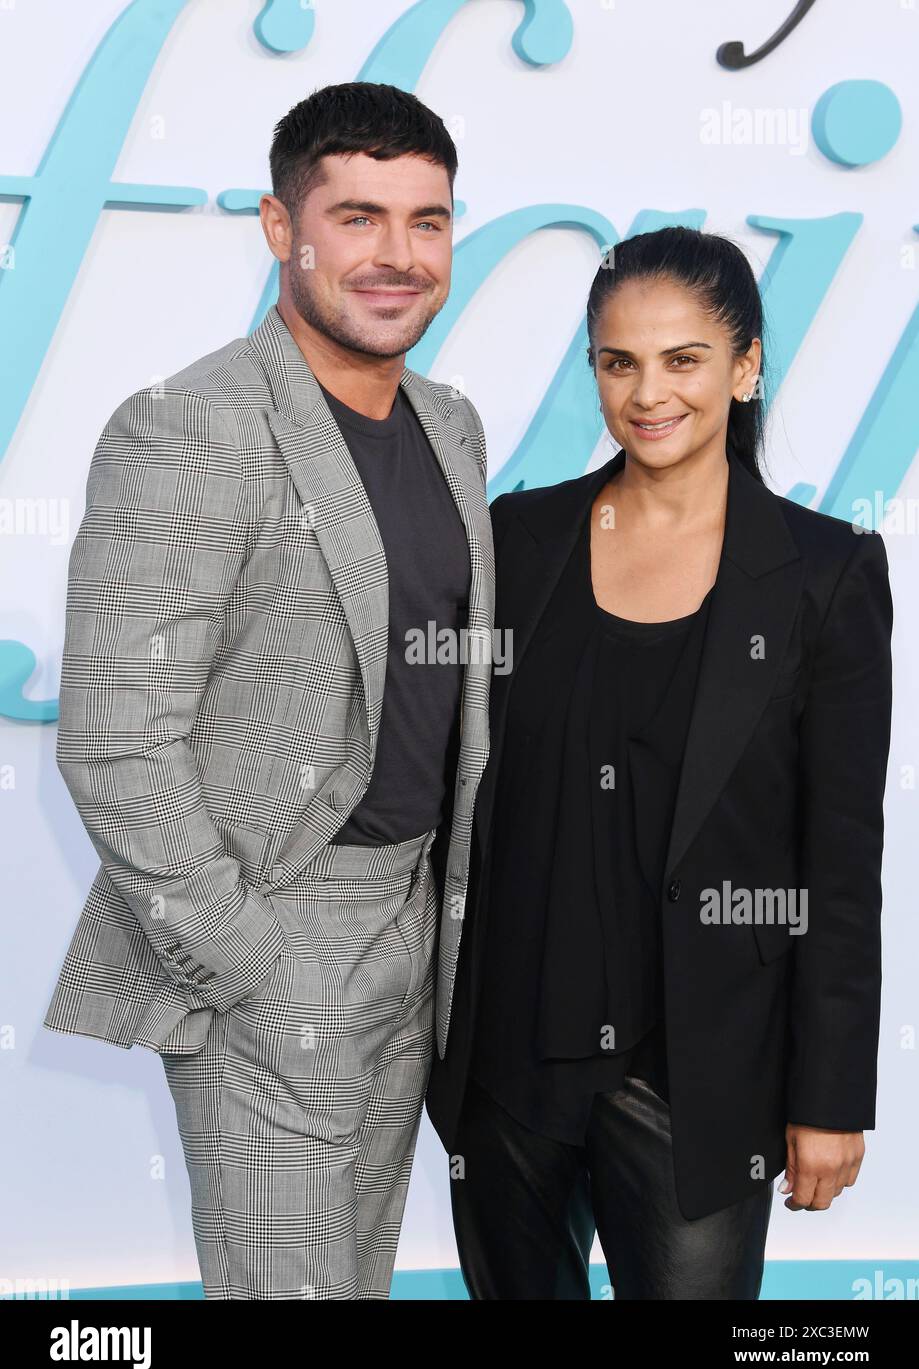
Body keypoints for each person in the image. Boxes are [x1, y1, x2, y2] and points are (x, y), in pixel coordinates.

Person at [44, 82, 494, 1300]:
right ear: (279, 227)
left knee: (356, 1281)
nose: (396, 256)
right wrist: (242, 950)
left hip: (416, 928)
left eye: (427, 220)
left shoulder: (452, 425)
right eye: (356, 217)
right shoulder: (192, 423)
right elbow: (114, 736)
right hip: (273, 924)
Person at [425, 225, 894, 1299]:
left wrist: (829, 1097)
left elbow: (839, 862)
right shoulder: (518, 540)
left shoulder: (824, 573)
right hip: (508, 1068)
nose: (648, 391)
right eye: (618, 361)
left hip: (697, 1079)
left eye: (683, 359)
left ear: (744, 366)